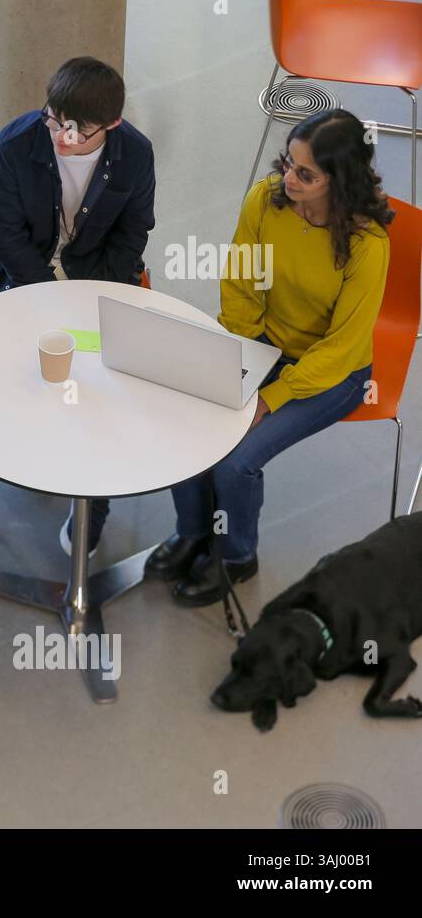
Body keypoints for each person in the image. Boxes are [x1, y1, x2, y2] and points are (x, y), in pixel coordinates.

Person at [145, 109, 392, 605]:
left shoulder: (368, 245)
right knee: (191, 417)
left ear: (337, 182)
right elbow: (240, 282)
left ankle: (236, 556)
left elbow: (342, 348)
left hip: (330, 373)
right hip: (261, 344)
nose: (289, 179)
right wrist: (241, 355)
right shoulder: (266, 198)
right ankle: (194, 532)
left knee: (236, 461)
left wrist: (270, 395)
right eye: (289, 163)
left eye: (306, 174)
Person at [0, 55, 156, 558]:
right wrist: (50, 298)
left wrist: (96, 298)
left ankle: (92, 499)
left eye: (79, 129)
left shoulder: (135, 155)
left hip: (99, 280)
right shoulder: (16, 144)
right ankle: (34, 443)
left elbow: (133, 233)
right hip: (26, 278)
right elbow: (6, 239)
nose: (64, 136)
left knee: (105, 376)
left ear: (112, 125)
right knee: (29, 360)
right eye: (55, 119)